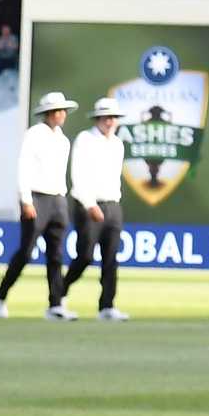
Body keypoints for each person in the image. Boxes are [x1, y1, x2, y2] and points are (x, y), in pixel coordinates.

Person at [0, 91, 77, 318]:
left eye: (64, 111)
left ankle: (55, 304)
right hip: (37, 198)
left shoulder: (63, 140)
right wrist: (26, 199)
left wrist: (61, 198)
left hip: (57, 199)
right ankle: (0, 294)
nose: (63, 114)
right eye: (59, 111)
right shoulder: (34, 134)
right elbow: (24, 167)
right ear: (50, 113)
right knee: (26, 252)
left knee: (56, 254)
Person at [61, 95, 131, 322]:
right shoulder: (85, 139)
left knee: (111, 258)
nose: (110, 122)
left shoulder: (118, 144)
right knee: (85, 256)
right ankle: (60, 292)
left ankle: (107, 306)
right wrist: (90, 204)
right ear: (97, 119)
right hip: (88, 204)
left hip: (112, 204)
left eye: (113, 118)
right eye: (105, 117)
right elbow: (78, 175)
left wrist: (114, 203)